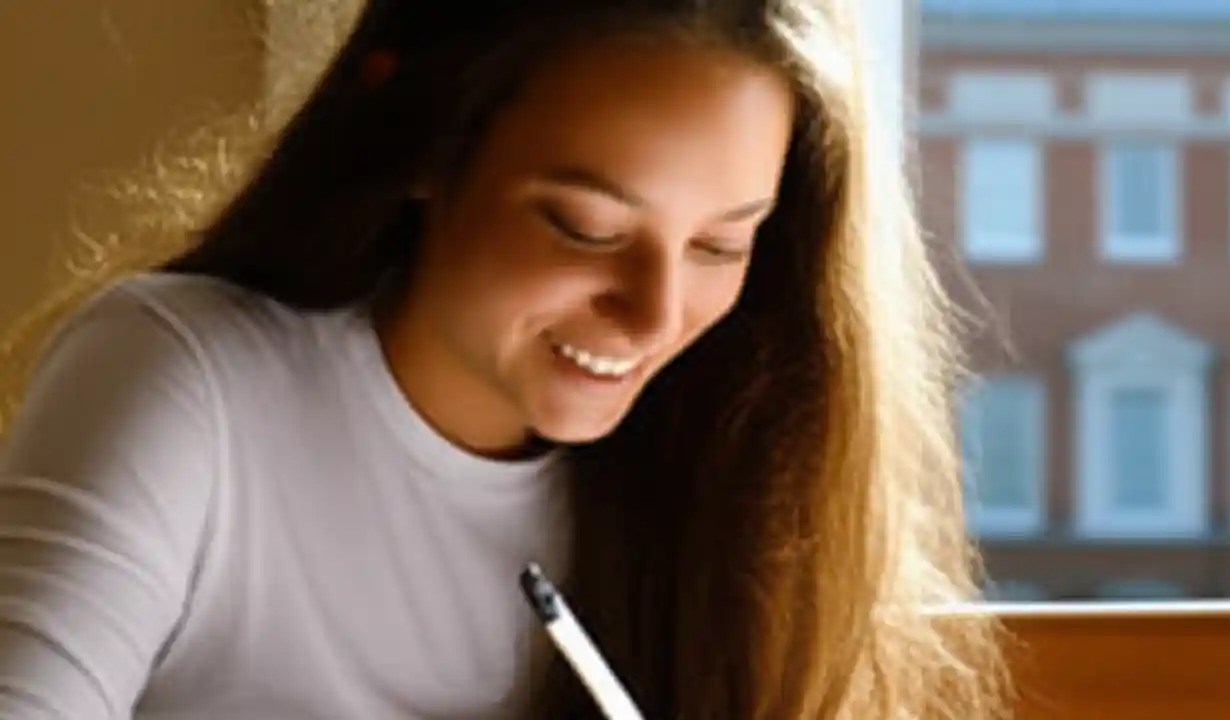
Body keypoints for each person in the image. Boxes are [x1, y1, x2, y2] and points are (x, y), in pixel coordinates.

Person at [0, 0, 1007, 717]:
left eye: (718, 246)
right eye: (584, 228)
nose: (653, 313)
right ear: (430, 145)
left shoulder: (724, 475)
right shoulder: (187, 377)